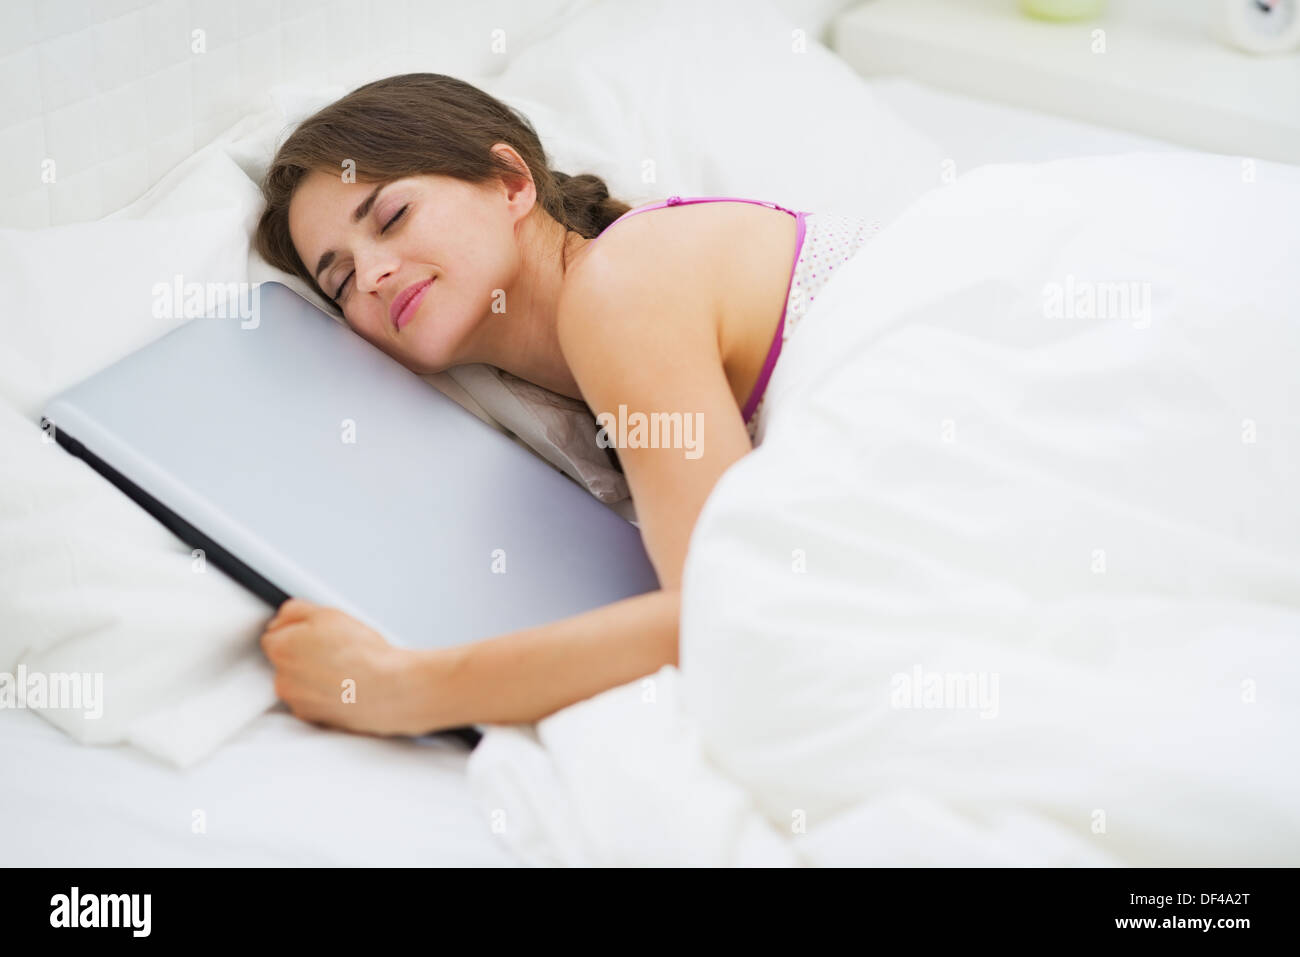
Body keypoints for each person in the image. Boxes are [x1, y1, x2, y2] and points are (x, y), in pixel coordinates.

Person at [252, 72, 873, 738]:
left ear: (511, 183)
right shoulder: (586, 376)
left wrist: (397, 687)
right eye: (342, 280)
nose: (373, 274)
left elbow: (729, 612)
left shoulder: (620, 284)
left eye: (393, 217)